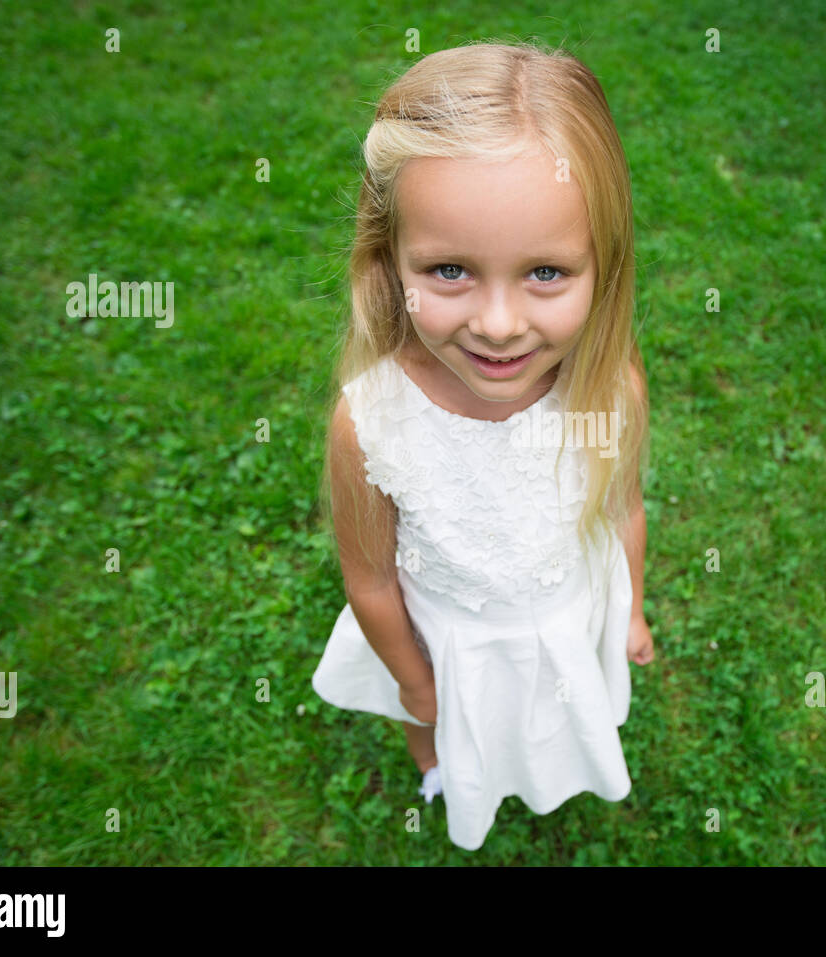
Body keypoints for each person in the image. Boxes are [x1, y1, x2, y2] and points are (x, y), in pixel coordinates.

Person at [312, 40, 654, 851]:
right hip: (445, 633)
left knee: (549, 705)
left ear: (602, 266)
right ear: (389, 264)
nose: (498, 324)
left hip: (562, 610)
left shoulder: (610, 388)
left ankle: (540, 761)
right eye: (452, 269)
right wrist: (415, 679)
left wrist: (633, 605)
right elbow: (369, 578)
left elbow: (623, 506)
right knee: (440, 722)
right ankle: (438, 765)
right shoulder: (371, 422)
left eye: (544, 273)